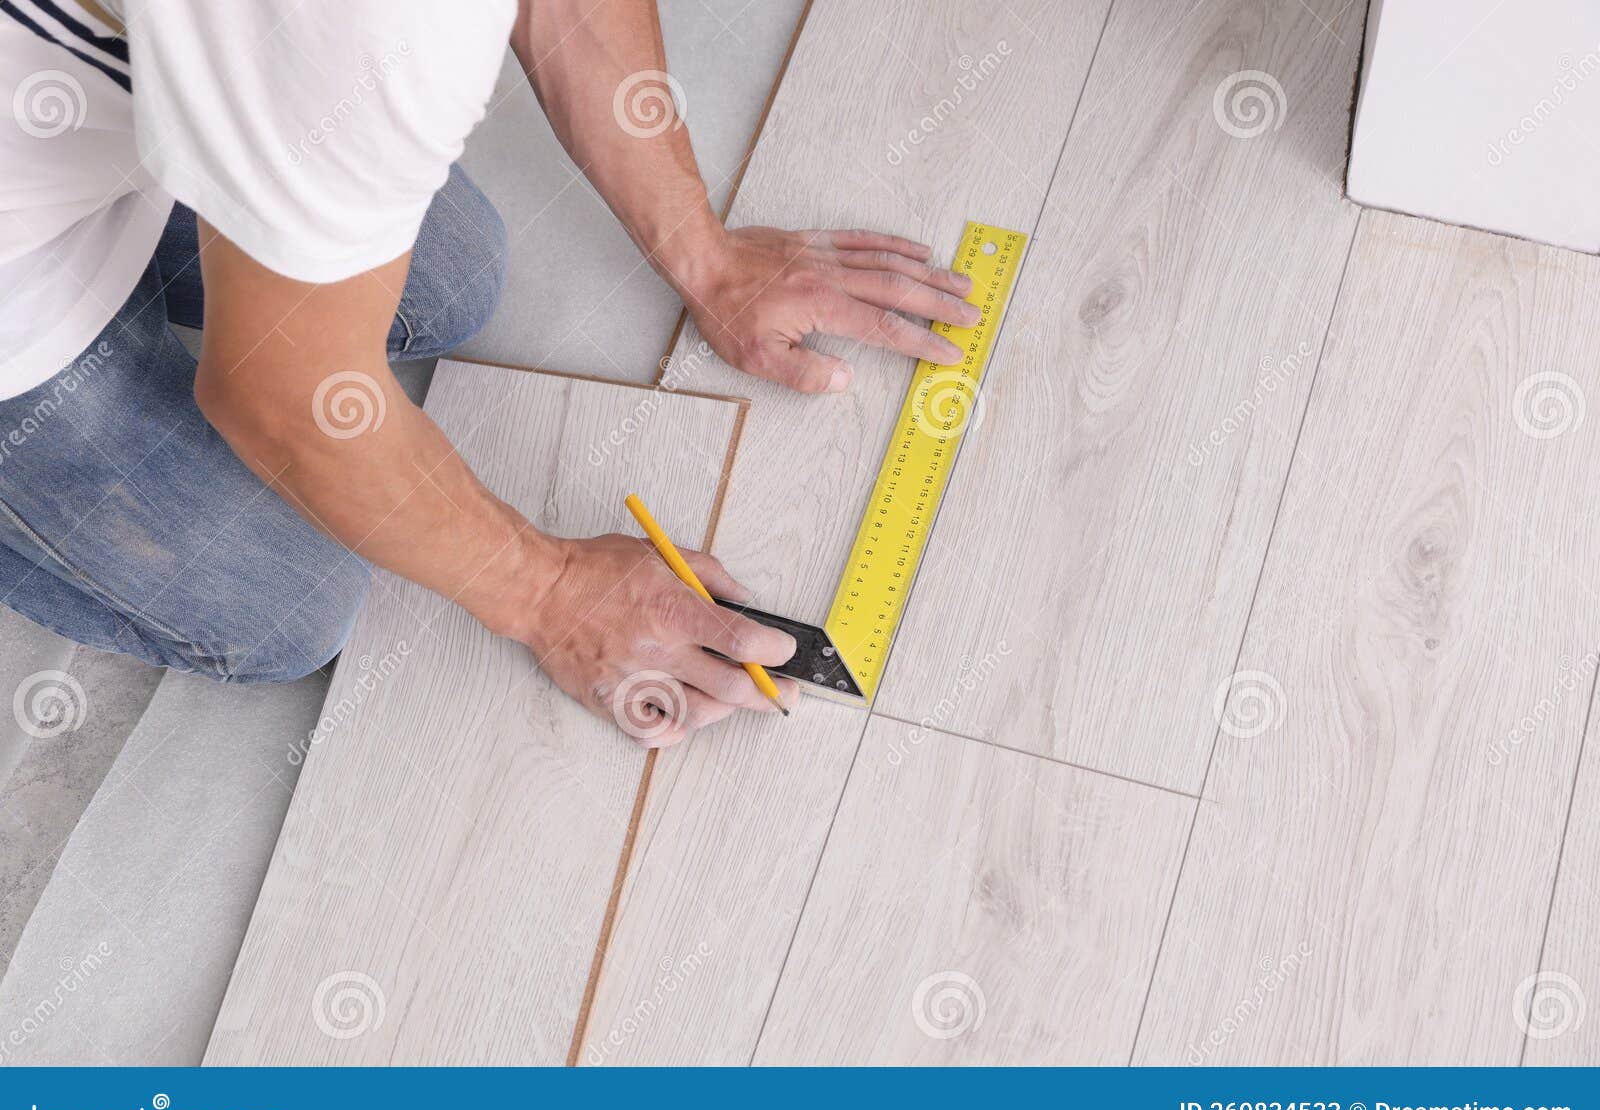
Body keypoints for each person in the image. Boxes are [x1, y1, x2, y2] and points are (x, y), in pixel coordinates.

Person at [0, 0, 977, 746]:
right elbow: (277, 396)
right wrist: (552, 594)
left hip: (93, 88)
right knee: (287, 607)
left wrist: (706, 258)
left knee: (449, 283)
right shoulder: (370, 28)